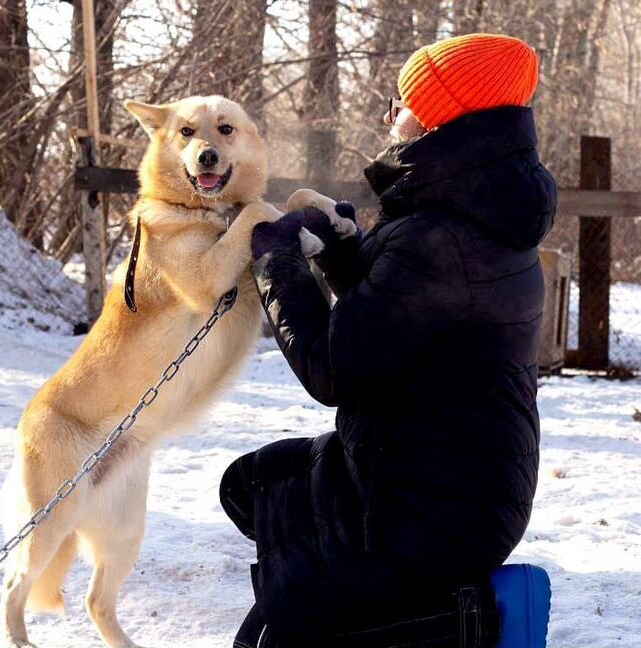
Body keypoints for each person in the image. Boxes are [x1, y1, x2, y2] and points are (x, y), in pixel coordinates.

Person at [221, 33, 557, 648]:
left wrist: (275, 260)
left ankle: (467, 622)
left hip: (432, 510)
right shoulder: (474, 209)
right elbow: (403, 315)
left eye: (400, 101)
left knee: (272, 629)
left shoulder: (442, 236)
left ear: (440, 117)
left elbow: (333, 369)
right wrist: (340, 250)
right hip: (436, 471)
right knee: (249, 486)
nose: (387, 114)